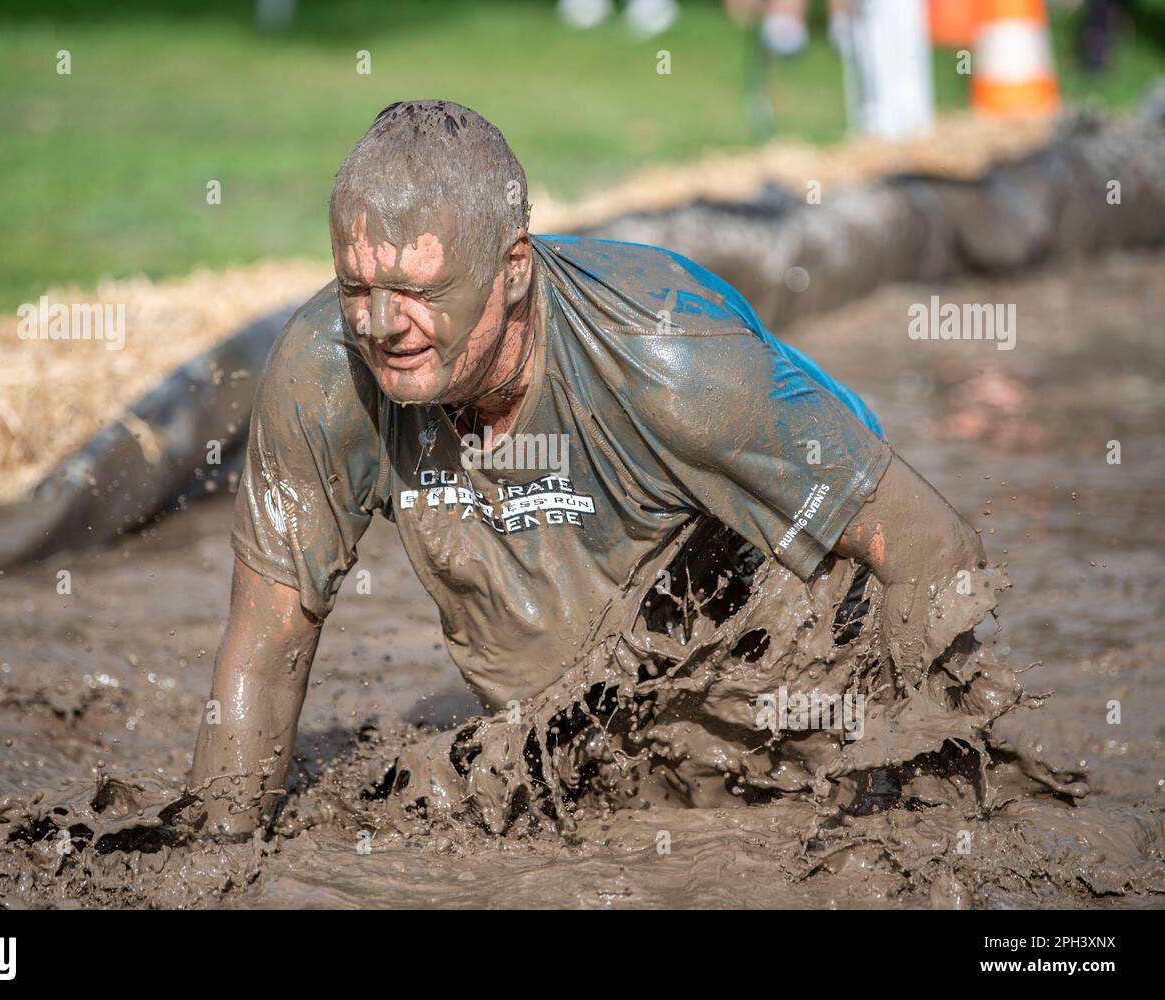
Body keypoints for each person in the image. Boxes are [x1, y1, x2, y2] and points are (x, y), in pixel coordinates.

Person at [189, 100, 985, 835]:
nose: (382, 325)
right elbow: (266, 647)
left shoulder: (673, 363)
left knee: (741, 797)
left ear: (513, 269)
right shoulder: (326, 375)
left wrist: (914, 826)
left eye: (418, 289)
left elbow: (932, 550)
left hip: (785, 645)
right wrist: (212, 852)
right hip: (583, 695)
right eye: (357, 286)